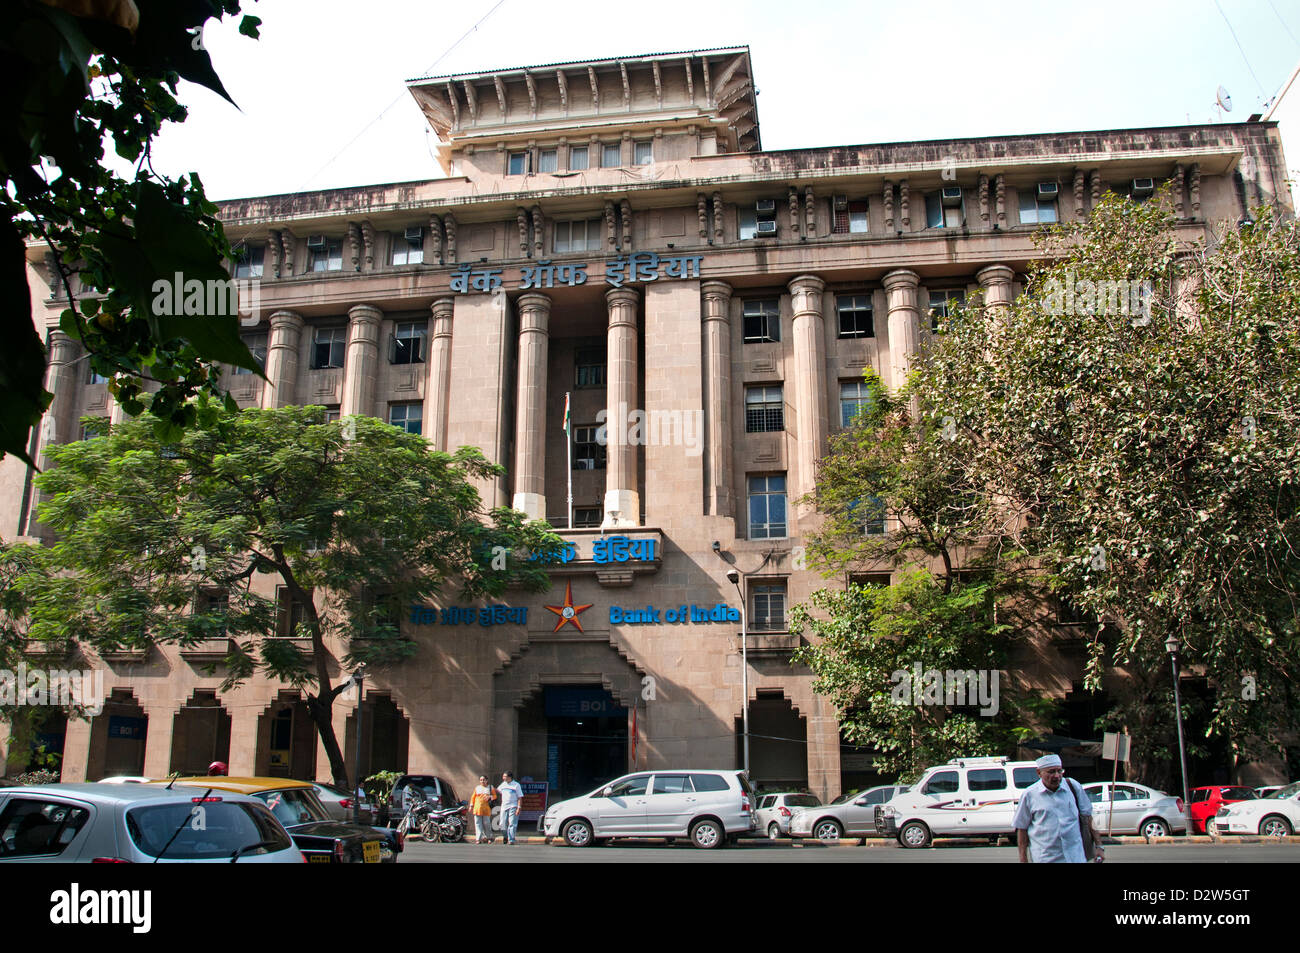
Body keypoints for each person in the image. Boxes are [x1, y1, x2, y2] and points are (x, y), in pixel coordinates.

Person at [1013, 754, 1105, 863]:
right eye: (1051, 772)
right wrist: (1023, 859)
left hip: (1075, 857)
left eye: (1059, 771)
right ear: (1039, 773)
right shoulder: (1029, 795)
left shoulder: (1073, 786)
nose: (1056, 776)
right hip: (1046, 859)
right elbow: (1021, 828)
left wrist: (1099, 846)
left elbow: (1088, 817)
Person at [498, 771, 524, 845]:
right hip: (504, 806)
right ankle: (505, 836)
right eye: (503, 776)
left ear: (509, 777)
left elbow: (520, 797)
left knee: (512, 823)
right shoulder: (503, 784)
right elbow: (498, 790)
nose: (503, 778)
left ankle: (511, 839)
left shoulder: (516, 785)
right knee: (502, 824)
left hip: (513, 806)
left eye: (505, 776)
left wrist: (519, 807)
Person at [470, 775, 496, 844]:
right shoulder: (477, 788)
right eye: (481, 780)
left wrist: (490, 797)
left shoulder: (490, 787)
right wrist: (471, 806)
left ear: (487, 780)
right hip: (477, 808)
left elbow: (495, 796)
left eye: (484, 780)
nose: (482, 781)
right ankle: (478, 839)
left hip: (486, 809)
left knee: (486, 824)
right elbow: (473, 797)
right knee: (478, 824)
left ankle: (489, 837)